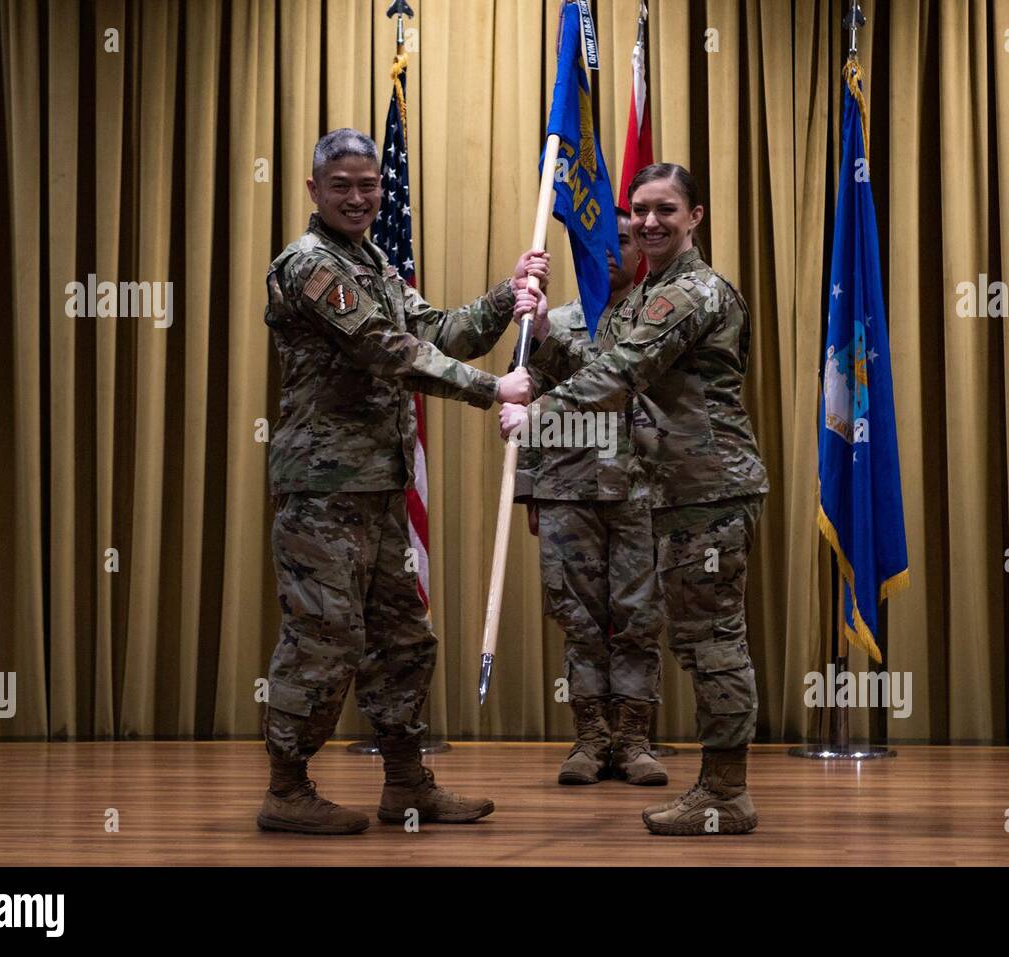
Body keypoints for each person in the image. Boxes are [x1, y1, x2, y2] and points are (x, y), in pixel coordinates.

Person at [257, 127, 546, 834]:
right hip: (323, 494)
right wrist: (492, 389)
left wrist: (507, 297)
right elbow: (385, 349)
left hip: (379, 490)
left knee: (404, 640)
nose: (359, 197)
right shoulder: (308, 264)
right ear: (314, 190)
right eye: (342, 185)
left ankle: (407, 784)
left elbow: (438, 330)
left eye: (369, 185)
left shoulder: (375, 262)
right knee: (320, 644)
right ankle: (287, 790)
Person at [501, 163, 769, 835]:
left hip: (706, 492)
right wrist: (530, 311)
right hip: (686, 491)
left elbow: (619, 373)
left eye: (665, 210)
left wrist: (531, 411)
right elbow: (600, 354)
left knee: (713, 644)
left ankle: (726, 792)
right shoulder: (660, 292)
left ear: (695, 216)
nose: (649, 222)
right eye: (640, 210)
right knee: (700, 641)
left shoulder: (689, 293)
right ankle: (714, 783)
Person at [514, 209, 667, 787]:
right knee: (577, 617)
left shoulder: (659, 320)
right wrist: (530, 491)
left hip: (640, 490)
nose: (609, 252)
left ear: (642, 249)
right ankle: (589, 739)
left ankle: (633, 741)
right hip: (567, 488)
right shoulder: (552, 323)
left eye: (621, 240)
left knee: (637, 616)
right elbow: (529, 404)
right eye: (597, 242)